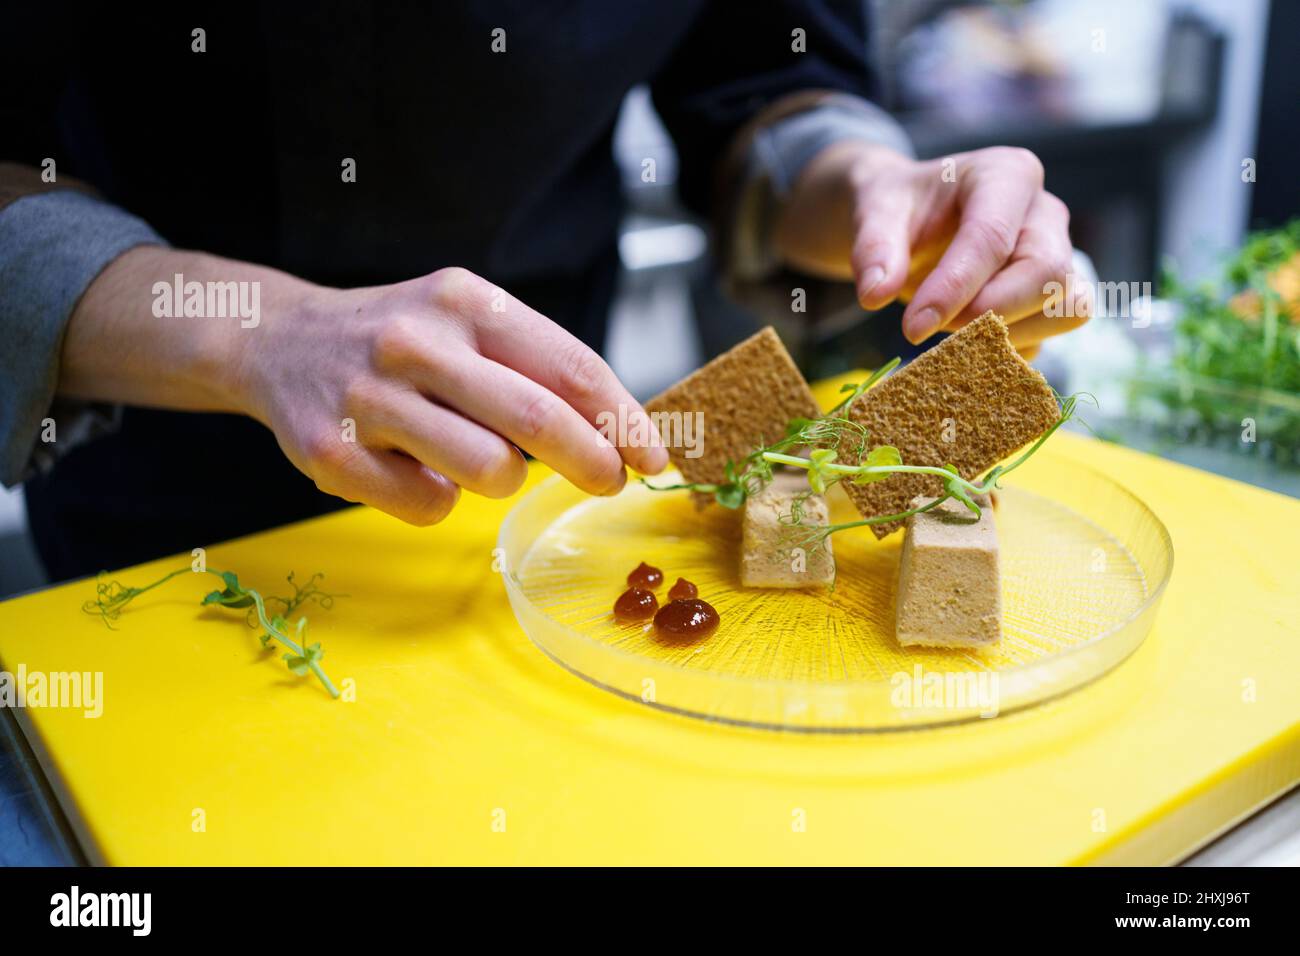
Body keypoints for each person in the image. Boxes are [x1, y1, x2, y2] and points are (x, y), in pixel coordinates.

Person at [0, 3, 1087, 582]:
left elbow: (758, 79)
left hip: (538, 480)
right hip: (153, 478)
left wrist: (872, 190)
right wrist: (259, 332)